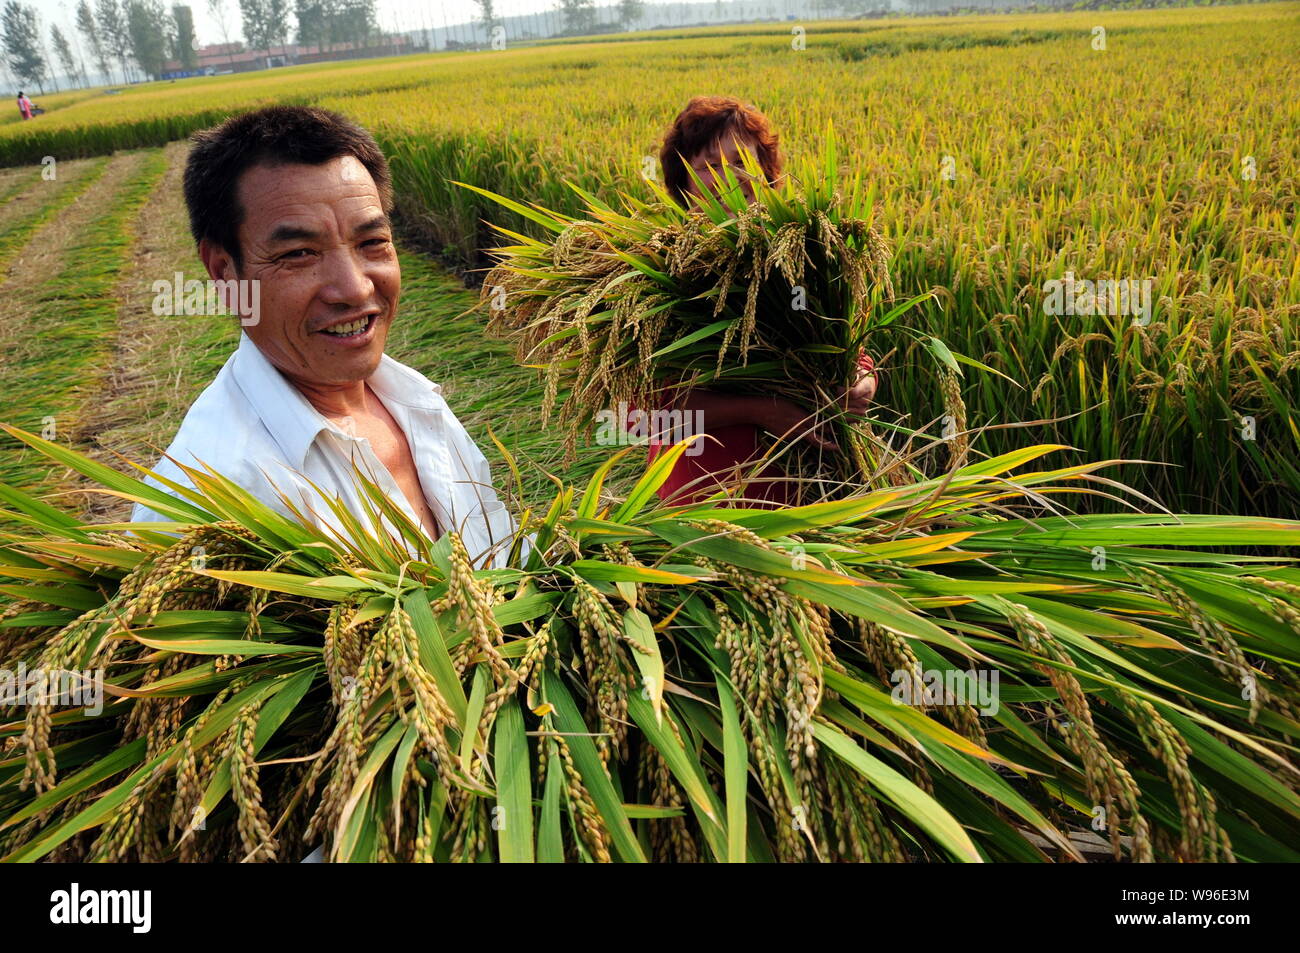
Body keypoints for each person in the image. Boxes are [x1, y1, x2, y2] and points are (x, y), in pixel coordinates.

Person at [130, 105, 517, 573]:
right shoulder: (208, 504)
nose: (355, 288)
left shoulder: (416, 401)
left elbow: (498, 558)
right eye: (299, 253)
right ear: (224, 271)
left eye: (372, 243)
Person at [641, 95, 879, 507]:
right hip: (704, 506)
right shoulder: (657, 276)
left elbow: (850, 350)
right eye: (709, 167)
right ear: (683, 184)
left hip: (817, 493)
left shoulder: (803, 254)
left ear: (767, 171)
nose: (731, 177)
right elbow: (639, 420)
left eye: (741, 161)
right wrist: (758, 410)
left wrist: (861, 384)